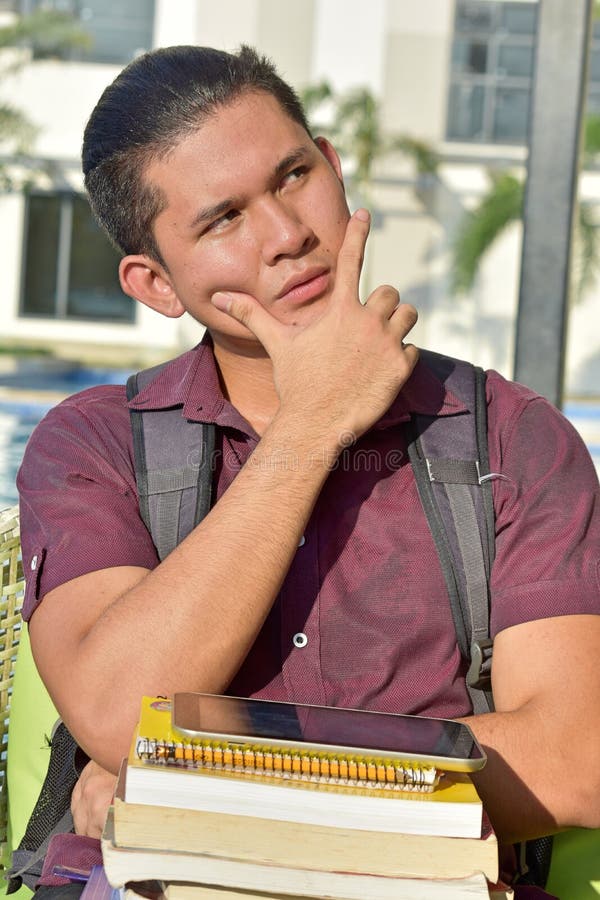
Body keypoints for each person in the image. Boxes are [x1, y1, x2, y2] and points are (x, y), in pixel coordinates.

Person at [16, 44, 600, 895]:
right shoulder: (94, 444)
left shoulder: (513, 440)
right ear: (154, 282)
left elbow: (574, 760)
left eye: (293, 176)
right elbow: (116, 711)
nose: (289, 235)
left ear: (331, 164)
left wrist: (191, 781)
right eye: (223, 220)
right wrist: (316, 424)